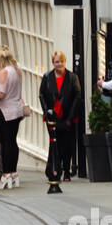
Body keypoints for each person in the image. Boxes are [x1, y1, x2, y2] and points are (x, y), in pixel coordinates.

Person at [40, 50, 82, 183]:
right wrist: (47, 111)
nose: (59, 64)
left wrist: (70, 117)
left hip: (67, 116)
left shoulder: (72, 77)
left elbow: (77, 96)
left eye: (62, 61)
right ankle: (55, 170)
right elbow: (42, 95)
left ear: (65, 62)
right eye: (57, 62)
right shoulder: (47, 76)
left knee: (67, 144)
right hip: (52, 117)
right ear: (53, 63)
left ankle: (67, 171)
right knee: (55, 144)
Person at [0, 44, 26, 189]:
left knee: (5, 143)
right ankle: (13, 173)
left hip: (3, 111)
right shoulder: (17, 70)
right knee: (12, 141)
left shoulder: (4, 72)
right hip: (15, 110)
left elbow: (0, 94)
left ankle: (5, 175)